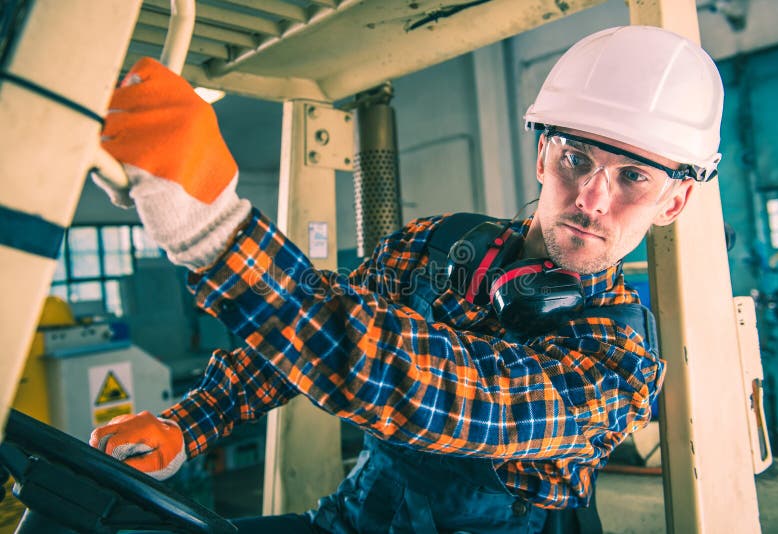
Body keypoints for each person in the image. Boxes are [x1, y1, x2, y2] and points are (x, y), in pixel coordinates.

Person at [89, 25, 724, 533]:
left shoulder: (618, 360)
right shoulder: (434, 244)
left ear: (673, 203)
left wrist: (213, 229)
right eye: (575, 158)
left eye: (633, 178)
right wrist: (189, 422)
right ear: (542, 154)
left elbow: (445, 395)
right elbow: (305, 340)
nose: (590, 198)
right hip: (357, 517)